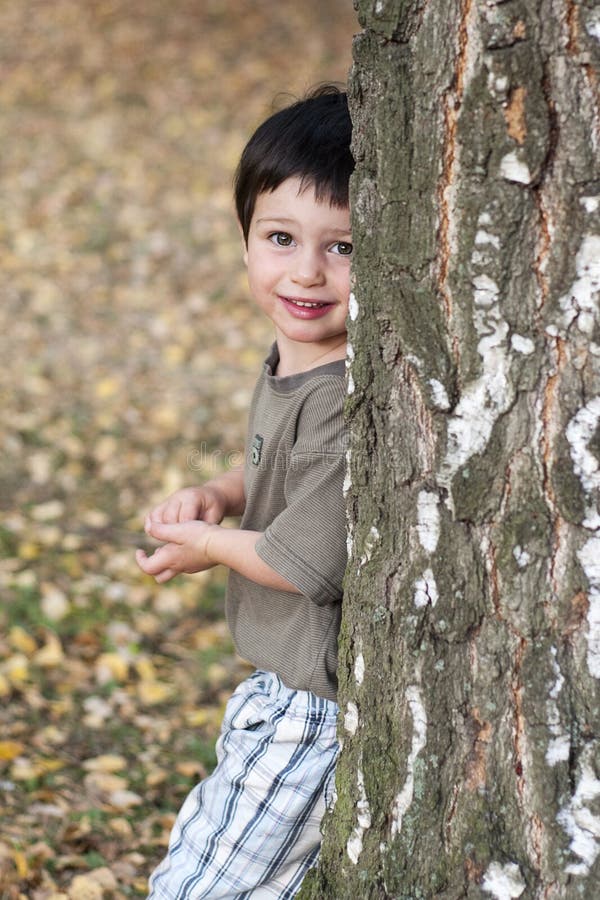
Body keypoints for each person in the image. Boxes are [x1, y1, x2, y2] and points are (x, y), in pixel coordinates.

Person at [136, 84, 353, 898]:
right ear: (245, 241)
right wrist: (219, 493)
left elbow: (307, 562)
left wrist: (207, 549)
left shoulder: (339, 394)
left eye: (345, 248)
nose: (306, 272)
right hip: (275, 686)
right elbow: (276, 468)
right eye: (281, 237)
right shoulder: (293, 362)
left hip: (311, 707)